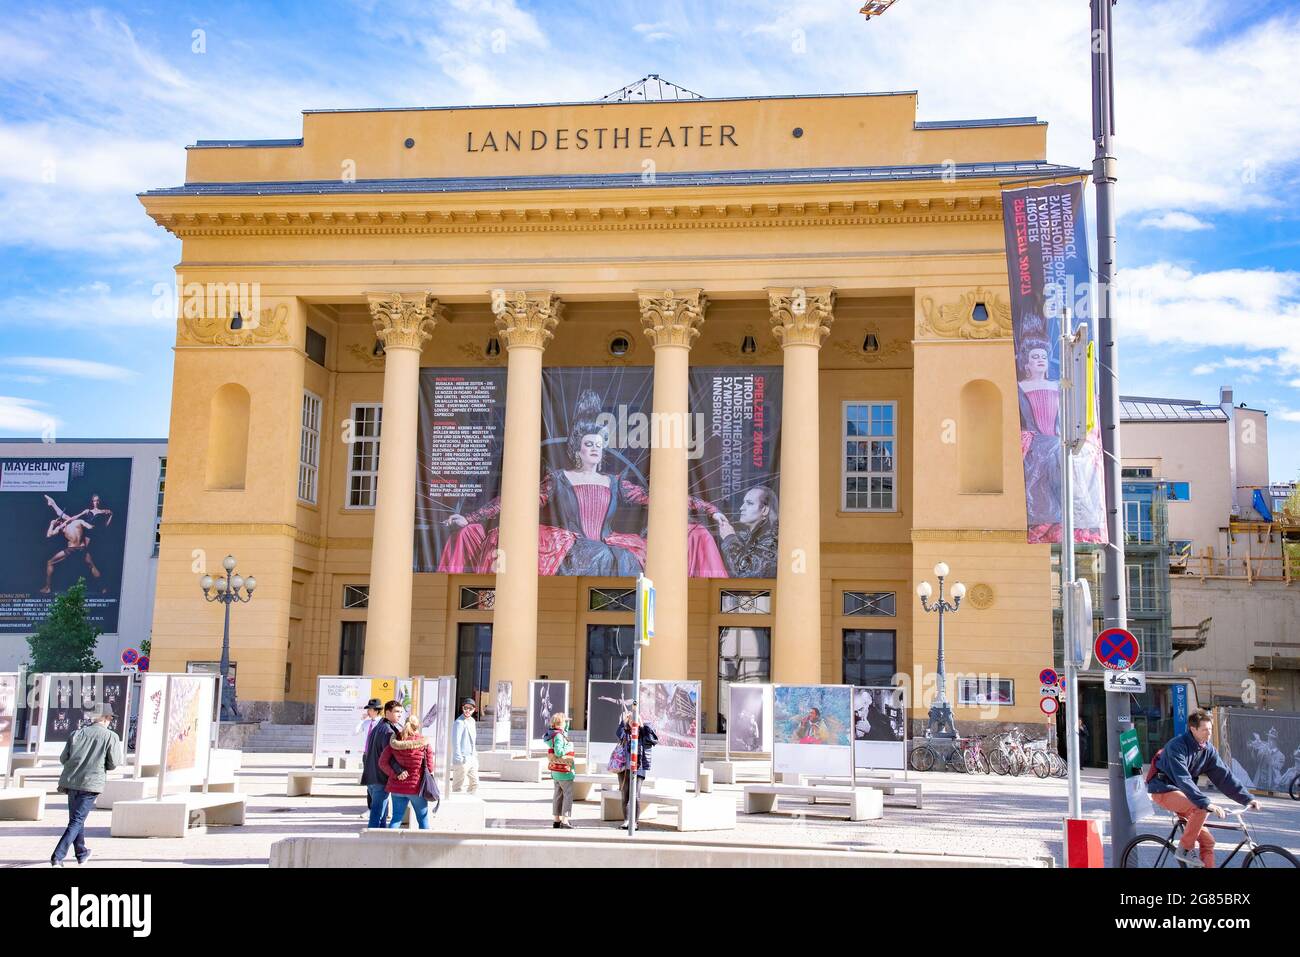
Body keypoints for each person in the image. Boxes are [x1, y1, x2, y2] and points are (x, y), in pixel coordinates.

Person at [440, 390, 726, 576]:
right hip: (570, 543)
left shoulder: (615, 483)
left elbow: (662, 501)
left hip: (608, 540)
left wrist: (709, 509)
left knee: (624, 557)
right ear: (578, 449)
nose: (594, 449)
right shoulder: (559, 479)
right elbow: (516, 502)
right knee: (606, 555)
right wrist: (469, 518)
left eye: (598, 445)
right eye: (589, 444)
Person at [1147, 709, 1260, 867]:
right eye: (1205, 730)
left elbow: (1224, 777)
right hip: (1163, 789)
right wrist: (1206, 803)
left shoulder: (1208, 750)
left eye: (1210, 729)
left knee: (1208, 842)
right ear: (1193, 729)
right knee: (1200, 808)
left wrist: (1247, 798)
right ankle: (1185, 849)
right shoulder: (1176, 747)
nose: (1209, 734)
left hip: (1183, 793)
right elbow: (1183, 779)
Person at [51, 703, 121, 866]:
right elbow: (113, 763)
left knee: (76, 819)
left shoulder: (76, 733)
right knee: (76, 821)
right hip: (91, 783)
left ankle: (81, 853)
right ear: (105, 718)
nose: (110, 720)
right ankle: (58, 856)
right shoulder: (111, 736)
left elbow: (63, 759)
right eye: (110, 717)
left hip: (71, 781)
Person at [379, 716, 435, 830]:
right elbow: (429, 768)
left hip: (397, 788)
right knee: (422, 820)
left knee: (396, 819)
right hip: (416, 788)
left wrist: (395, 774)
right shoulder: (424, 744)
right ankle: (424, 846)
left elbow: (382, 762)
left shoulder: (395, 742)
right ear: (418, 726)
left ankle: (391, 845)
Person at [713, 486, 779, 579]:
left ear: (765, 510)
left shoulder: (772, 538)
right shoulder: (749, 534)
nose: (741, 508)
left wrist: (729, 538)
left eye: (749, 503)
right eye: (744, 502)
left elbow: (747, 571)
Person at [361, 700, 403, 829]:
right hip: (380, 778)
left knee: (382, 814)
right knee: (377, 815)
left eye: (401, 712)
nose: (400, 715)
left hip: (372, 777)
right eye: (397, 712)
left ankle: (381, 839)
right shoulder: (388, 731)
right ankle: (373, 841)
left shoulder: (378, 727)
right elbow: (389, 756)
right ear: (387, 712)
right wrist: (399, 771)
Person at [613, 711, 658, 829]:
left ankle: (635, 822)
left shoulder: (643, 732)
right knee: (625, 795)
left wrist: (641, 723)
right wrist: (625, 720)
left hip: (639, 768)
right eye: (631, 720)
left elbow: (651, 737)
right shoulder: (625, 732)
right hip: (624, 769)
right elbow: (618, 733)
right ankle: (626, 820)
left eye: (635, 720)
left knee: (636, 795)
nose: (633, 722)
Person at [542, 712, 576, 829]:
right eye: (565, 722)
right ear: (561, 724)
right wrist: (569, 746)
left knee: (557, 795)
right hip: (564, 771)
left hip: (556, 771)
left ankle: (556, 820)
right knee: (567, 795)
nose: (566, 724)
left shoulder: (552, 734)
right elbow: (559, 752)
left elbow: (563, 733)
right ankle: (565, 820)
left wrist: (565, 726)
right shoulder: (559, 736)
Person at [354, 698, 383, 817]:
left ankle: (381, 808)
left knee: (378, 783)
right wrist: (361, 720)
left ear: (376, 710)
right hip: (367, 755)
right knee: (369, 783)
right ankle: (370, 807)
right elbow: (354, 732)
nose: (368, 712)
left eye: (370, 709)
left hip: (378, 756)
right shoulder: (366, 723)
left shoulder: (382, 723)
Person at [452, 698, 479, 795]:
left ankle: (469, 799)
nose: (467, 710)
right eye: (465, 708)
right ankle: (457, 806)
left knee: (475, 783)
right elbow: (456, 742)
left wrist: (474, 755)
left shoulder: (472, 721)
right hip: (462, 758)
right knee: (458, 786)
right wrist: (458, 758)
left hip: (472, 757)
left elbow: (473, 740)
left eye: (470, 708)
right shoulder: (459, 722)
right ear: (462, 708)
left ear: (474, 709)